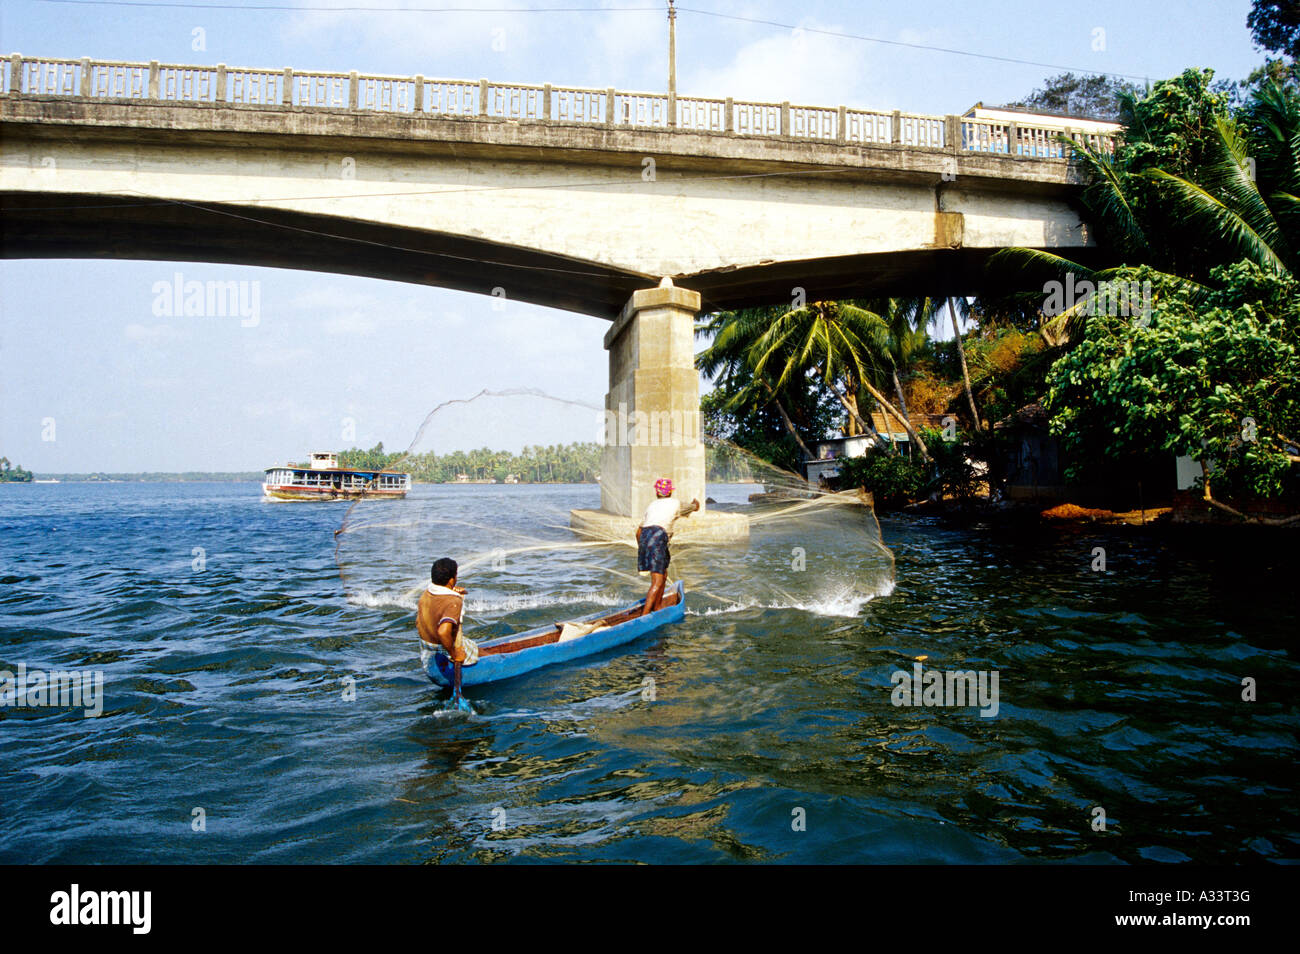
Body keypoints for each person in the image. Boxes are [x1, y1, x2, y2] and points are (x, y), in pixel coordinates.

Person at [635, 477, 699, 616]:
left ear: (657, 493)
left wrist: (642, 548)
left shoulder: (652, 505)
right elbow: (695, 507)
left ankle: (657, 607)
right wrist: (695, 504)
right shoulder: (676, 503)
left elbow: (639, 531)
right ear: (670, 492)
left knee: (663, 574)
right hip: (658, 537)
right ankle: (644, 616)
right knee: (657, 581)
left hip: (645, 537)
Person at [416, 557, 476, 705]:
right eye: (455, 575)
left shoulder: (427, 592)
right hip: (443, 651)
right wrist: (454, 654)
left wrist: (452, 590)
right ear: (451, 579)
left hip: (426, 651)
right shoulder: (453, 602)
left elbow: (438, 602)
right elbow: (443, 632)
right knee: (477, 650)